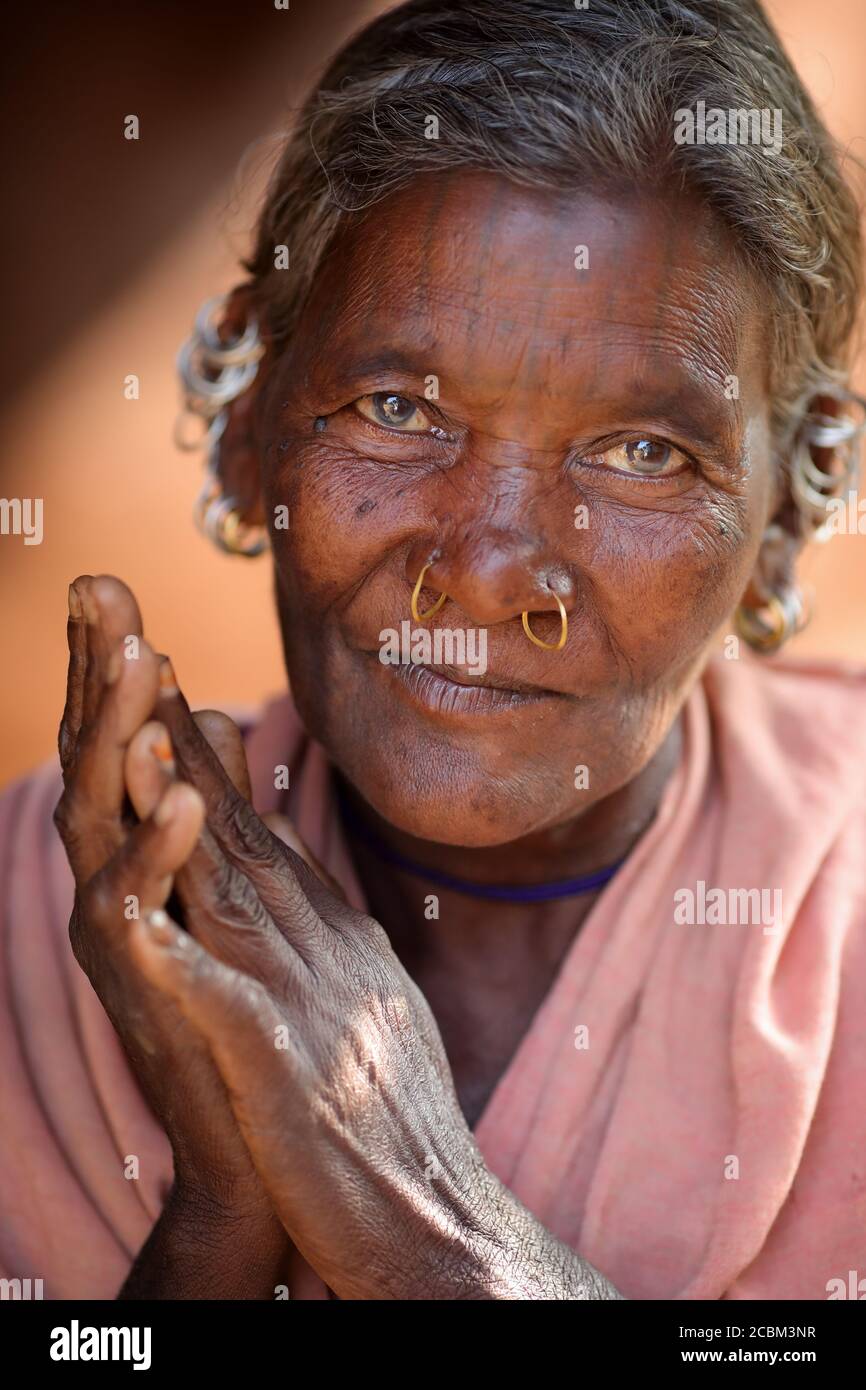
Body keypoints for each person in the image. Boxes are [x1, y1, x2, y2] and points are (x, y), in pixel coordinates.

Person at [2, 0, 866, 1300]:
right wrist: (223, 1220)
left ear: (793, 506)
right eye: (396, 408)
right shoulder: (29, 931)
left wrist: (433, 1226)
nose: (487, 566)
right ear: (247, 423)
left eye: (642, 452)